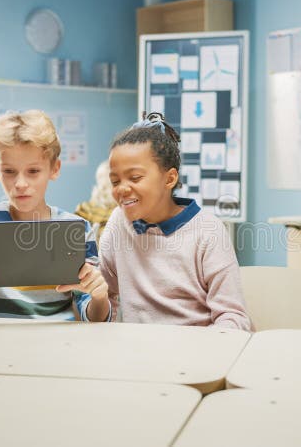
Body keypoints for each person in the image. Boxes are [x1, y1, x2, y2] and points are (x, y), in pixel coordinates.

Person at [0, 110, 111, 322]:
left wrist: (99, 296)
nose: (20, 183)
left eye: (33, 171)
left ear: (54, 169)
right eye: (9, 171)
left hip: (54, 342)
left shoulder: (76, 229)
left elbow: (94, 317)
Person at [99, 112, 251, 331]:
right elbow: (105, 293)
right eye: (115, 180)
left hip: (195, 354)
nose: (122, 189)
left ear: (169, 179)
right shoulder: (118, 221)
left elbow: (233, 317)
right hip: (137, 354)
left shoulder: (208, 231)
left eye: (135, 178)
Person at [74, 160, 117, 244]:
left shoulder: (125, 209)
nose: (104, 182)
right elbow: (72, 236)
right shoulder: (85, 208)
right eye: (101, 177)